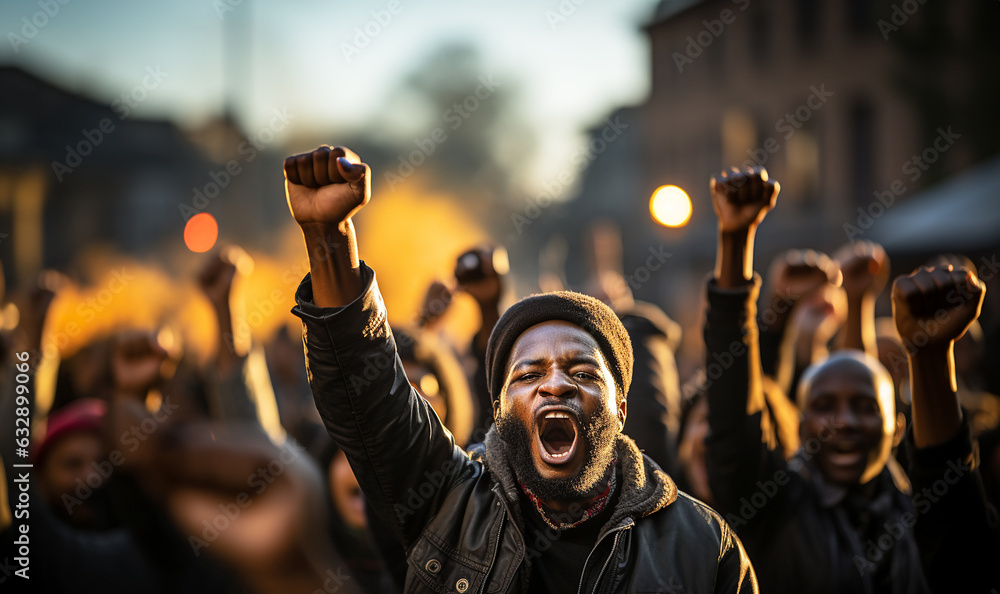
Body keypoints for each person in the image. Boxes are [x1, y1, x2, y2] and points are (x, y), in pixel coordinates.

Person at [284, 145, 757, 593]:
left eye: (584, 373)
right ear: (498, 409)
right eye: (528, 375)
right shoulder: (447, 504)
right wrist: (330, 237)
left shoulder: (703, 546)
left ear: (622, 407)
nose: (554, 384)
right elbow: (370, 401)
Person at [702, 166, 1000, 593]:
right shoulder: (768, 506)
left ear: (897, 427)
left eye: (865, 407)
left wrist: (930, 355)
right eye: (823, 406)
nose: (843, 421)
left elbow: (960, 551)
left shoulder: (924, 511)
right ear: (799, 426)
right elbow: (734, 416)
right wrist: (734, 241)